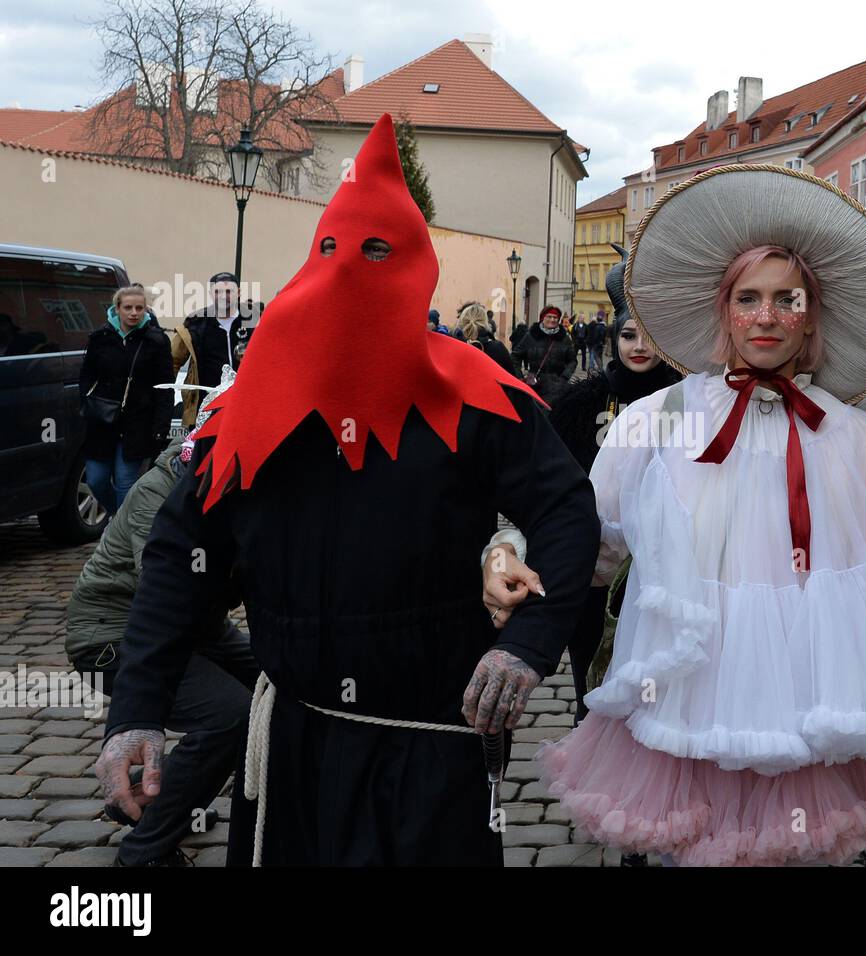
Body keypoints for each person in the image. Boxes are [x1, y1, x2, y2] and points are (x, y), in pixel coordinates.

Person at [93, 114, 599, 867]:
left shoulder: (480, 398)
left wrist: (526, 647)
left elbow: (565, 513)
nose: (349, 272)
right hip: (298, 741)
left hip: (431, 745)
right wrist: (135, 710)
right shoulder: (250, 409)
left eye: (376, 252)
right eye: (331, 250)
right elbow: (178, 554)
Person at [483, 166, 866, 866]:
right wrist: (506, 559)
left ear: (813, 310)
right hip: (683, 729)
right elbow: (581, 539)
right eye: (748, 298)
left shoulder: (851, 437)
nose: (767, 316)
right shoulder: (659, 421)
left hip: (807, 734)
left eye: (787, 298)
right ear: (724, 309)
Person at [75, 377, 257, 866]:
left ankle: (194, 799)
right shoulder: (161, 493)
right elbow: (166, 593)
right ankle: (146, 849)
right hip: (110, 635)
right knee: (230, 715)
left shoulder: (229, 471)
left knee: (275, 686)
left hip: (200, 630)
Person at [543, 248, 680, 721]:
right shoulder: (582, 402)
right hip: (591, 563)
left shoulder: (686, 405)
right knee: (590, 677)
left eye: (648, 336)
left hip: (658, 567)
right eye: (627, 334)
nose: (638, 346)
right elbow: (554, 481)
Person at [79, 285, 173, 515]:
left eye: (139, 308)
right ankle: (119, 521)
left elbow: (164, 388)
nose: (133, 312)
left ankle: (118, 539)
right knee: (96, 479)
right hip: (103, 419)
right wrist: (88, 403)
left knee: (125, 482)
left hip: (138, 422)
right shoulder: (100, 338)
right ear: (117, 308)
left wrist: (160, 428)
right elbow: (86, 376)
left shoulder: (156, 340)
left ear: (146, 310)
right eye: (128, 307)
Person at [512, 305, 578, 405]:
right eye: (549, 316)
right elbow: (515, 356)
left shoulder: (564, 338)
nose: (552, 320)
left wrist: (564, 378)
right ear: (543, 318)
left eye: (555, 317)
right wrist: (519, 378)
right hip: (535, 385)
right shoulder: (531, 335)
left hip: (557, 387)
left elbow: (572, 361)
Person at [456, 301, 516, 376]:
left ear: (461, 322)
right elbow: (511, 383)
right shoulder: (498, 349)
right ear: (486, 322)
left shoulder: (453, 349)